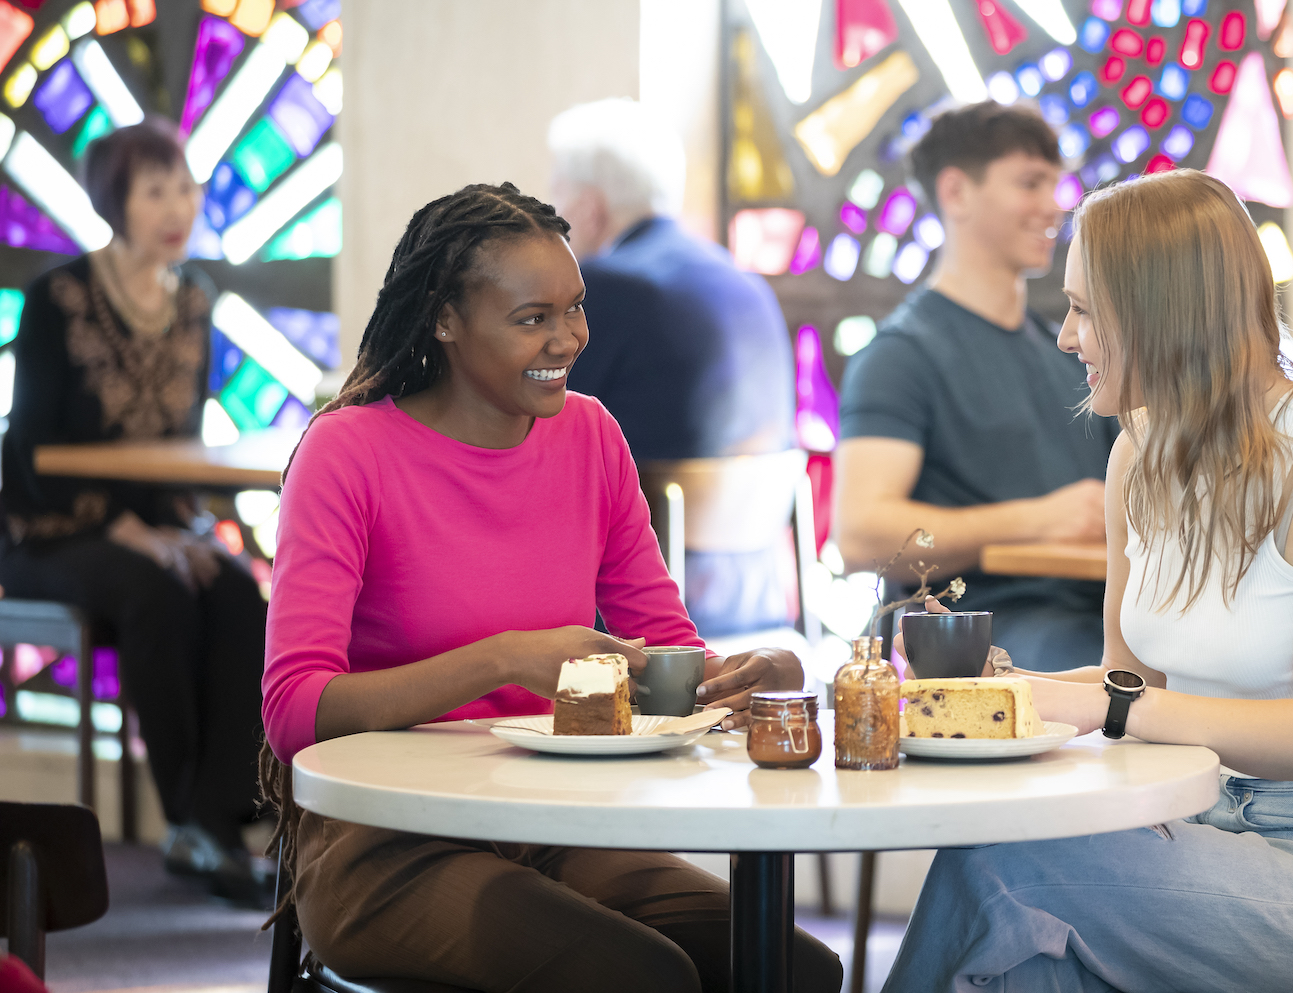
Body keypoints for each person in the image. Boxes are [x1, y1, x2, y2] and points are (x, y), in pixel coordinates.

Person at [259, 183, 840, 993]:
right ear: (445, 320)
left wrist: (753, 673)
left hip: (556, 825)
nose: (567, 338)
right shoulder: (347, 452)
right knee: (642, 977)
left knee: (795, 969)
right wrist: (502, 659)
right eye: (532, 318)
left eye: (575, 307)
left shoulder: (591, 435)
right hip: (385, 844)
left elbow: (666, 656)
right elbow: (293, 711)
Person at [885, 170, 1293, 992]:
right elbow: (1133, 679)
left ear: (1162, 310)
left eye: (1084, 310)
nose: (1065, 337)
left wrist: (1106, 706)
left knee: (1003, 867)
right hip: (1189, 827)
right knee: (1028, 970)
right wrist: (994, 691)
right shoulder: (1137, 455)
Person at [0, 119, 270, 900]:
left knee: (234, 588)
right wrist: (132, 534)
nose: (177, 207)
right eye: (155, 191)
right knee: (159, 593)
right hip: (46, 530)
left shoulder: (195, 302)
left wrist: (181, 531)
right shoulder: (57, 296)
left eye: (185, 187)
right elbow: (29, 451)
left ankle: (219, 818)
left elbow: (178, 450)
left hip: (152, 527)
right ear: (115, 201)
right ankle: (186, 818)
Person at [835, 102, 1117, 672]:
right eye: (1030, 183)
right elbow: (861, 534)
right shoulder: (901, 356)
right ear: (956, 192)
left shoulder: (1068, 351)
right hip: (984, 625)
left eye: (1056, 184)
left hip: (1099, 606)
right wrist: (1039, 520)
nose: (1054, 205)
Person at [548, 99, 797, 637]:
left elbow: (537, 433)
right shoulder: (747, 284)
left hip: (648, 612)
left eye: (556, 198)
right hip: (754, 596)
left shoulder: (605, 287)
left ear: (588, 208)